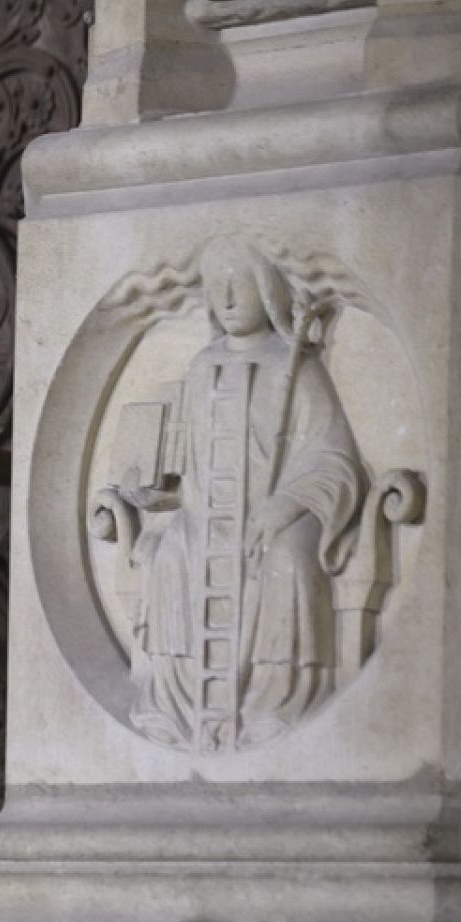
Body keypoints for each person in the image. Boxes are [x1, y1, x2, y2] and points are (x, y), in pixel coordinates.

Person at [121, 235, 366, 751]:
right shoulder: (200, 367)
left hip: (271, 519)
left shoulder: (295, 365)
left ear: (269, 290)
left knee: (289, 561)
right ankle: (172, 705)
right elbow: (178, 462)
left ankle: (276, 704)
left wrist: (288, 503)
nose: (228, 298)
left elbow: (333, 457)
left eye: (241, 285)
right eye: (217, 286)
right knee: (170, 555)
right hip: (203, 518)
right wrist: (148, 487)